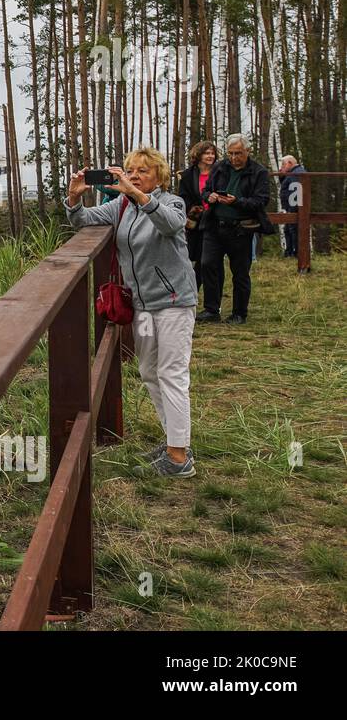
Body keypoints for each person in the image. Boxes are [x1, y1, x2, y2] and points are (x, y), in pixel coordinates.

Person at [66, 146, 198, 478]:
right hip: (142, 306)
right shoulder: (121, 206)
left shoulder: (171, 202)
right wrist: (73, 199)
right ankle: (175, 442)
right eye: (131, 170)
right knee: (150, 371)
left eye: (143, 171)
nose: (135, 175)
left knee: (171, 373)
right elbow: (84, 221)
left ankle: (179, 458)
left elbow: (170, 225)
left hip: (173, 303)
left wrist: (137, 194)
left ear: (160, 176)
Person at [198, 134, 276, 324]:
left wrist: (237, 202)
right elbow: (206, 190)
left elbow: (261, 201)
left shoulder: (258, 172)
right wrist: (210, 196)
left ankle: (239, 313)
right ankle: (211, 309)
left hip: (241, 229)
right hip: (215, 225)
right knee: (208, 264)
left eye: (238, 153)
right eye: (231, 153)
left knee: (240, 272)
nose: (234, 158)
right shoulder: (219, 167)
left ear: (247, 151)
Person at [177, 140, 218, 288]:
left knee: (209, 261)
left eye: (212, 153)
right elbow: (182, 196)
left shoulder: (219, 172)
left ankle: (207, 295)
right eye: (207, 153)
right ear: (198, 155)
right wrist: (193, 208)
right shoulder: (188, 175)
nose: (210, 156)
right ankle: (190, 290)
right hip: (196, 222)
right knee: (194, 258)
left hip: (215, 220)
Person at [277, 155, 307, 258]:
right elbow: (288, 186)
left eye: (283, 165)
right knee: (289, 229)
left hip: (294, 208)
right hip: (293, 207)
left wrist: (292, 210)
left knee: (293, 229)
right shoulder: (295, 173)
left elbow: (296, 191)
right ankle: (290, 252)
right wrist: (282, 176)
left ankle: (296, 253)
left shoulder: (296, 173)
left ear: (290, 163)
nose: (281, 168)